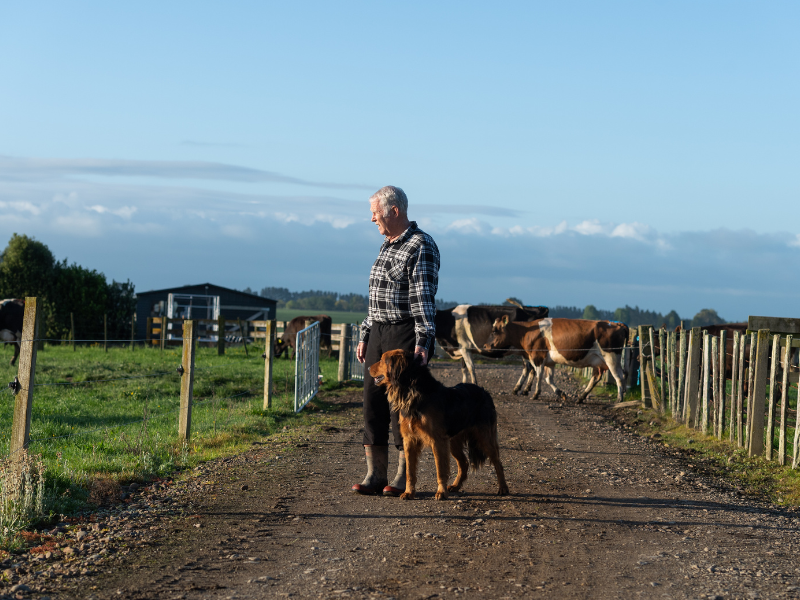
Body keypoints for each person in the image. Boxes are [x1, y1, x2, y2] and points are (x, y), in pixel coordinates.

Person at [352, 186, 440, 496]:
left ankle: (404, 476)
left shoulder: (421, 246)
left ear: (395, 211)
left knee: (401, 407)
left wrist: (424, 339)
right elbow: (375, 300)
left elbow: (422, 298)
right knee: (372, 404)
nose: (372, 217)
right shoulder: (386, 247)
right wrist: (366, 333)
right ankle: (375, 475)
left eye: (375, 212)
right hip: (379, 331)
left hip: (404, 333)